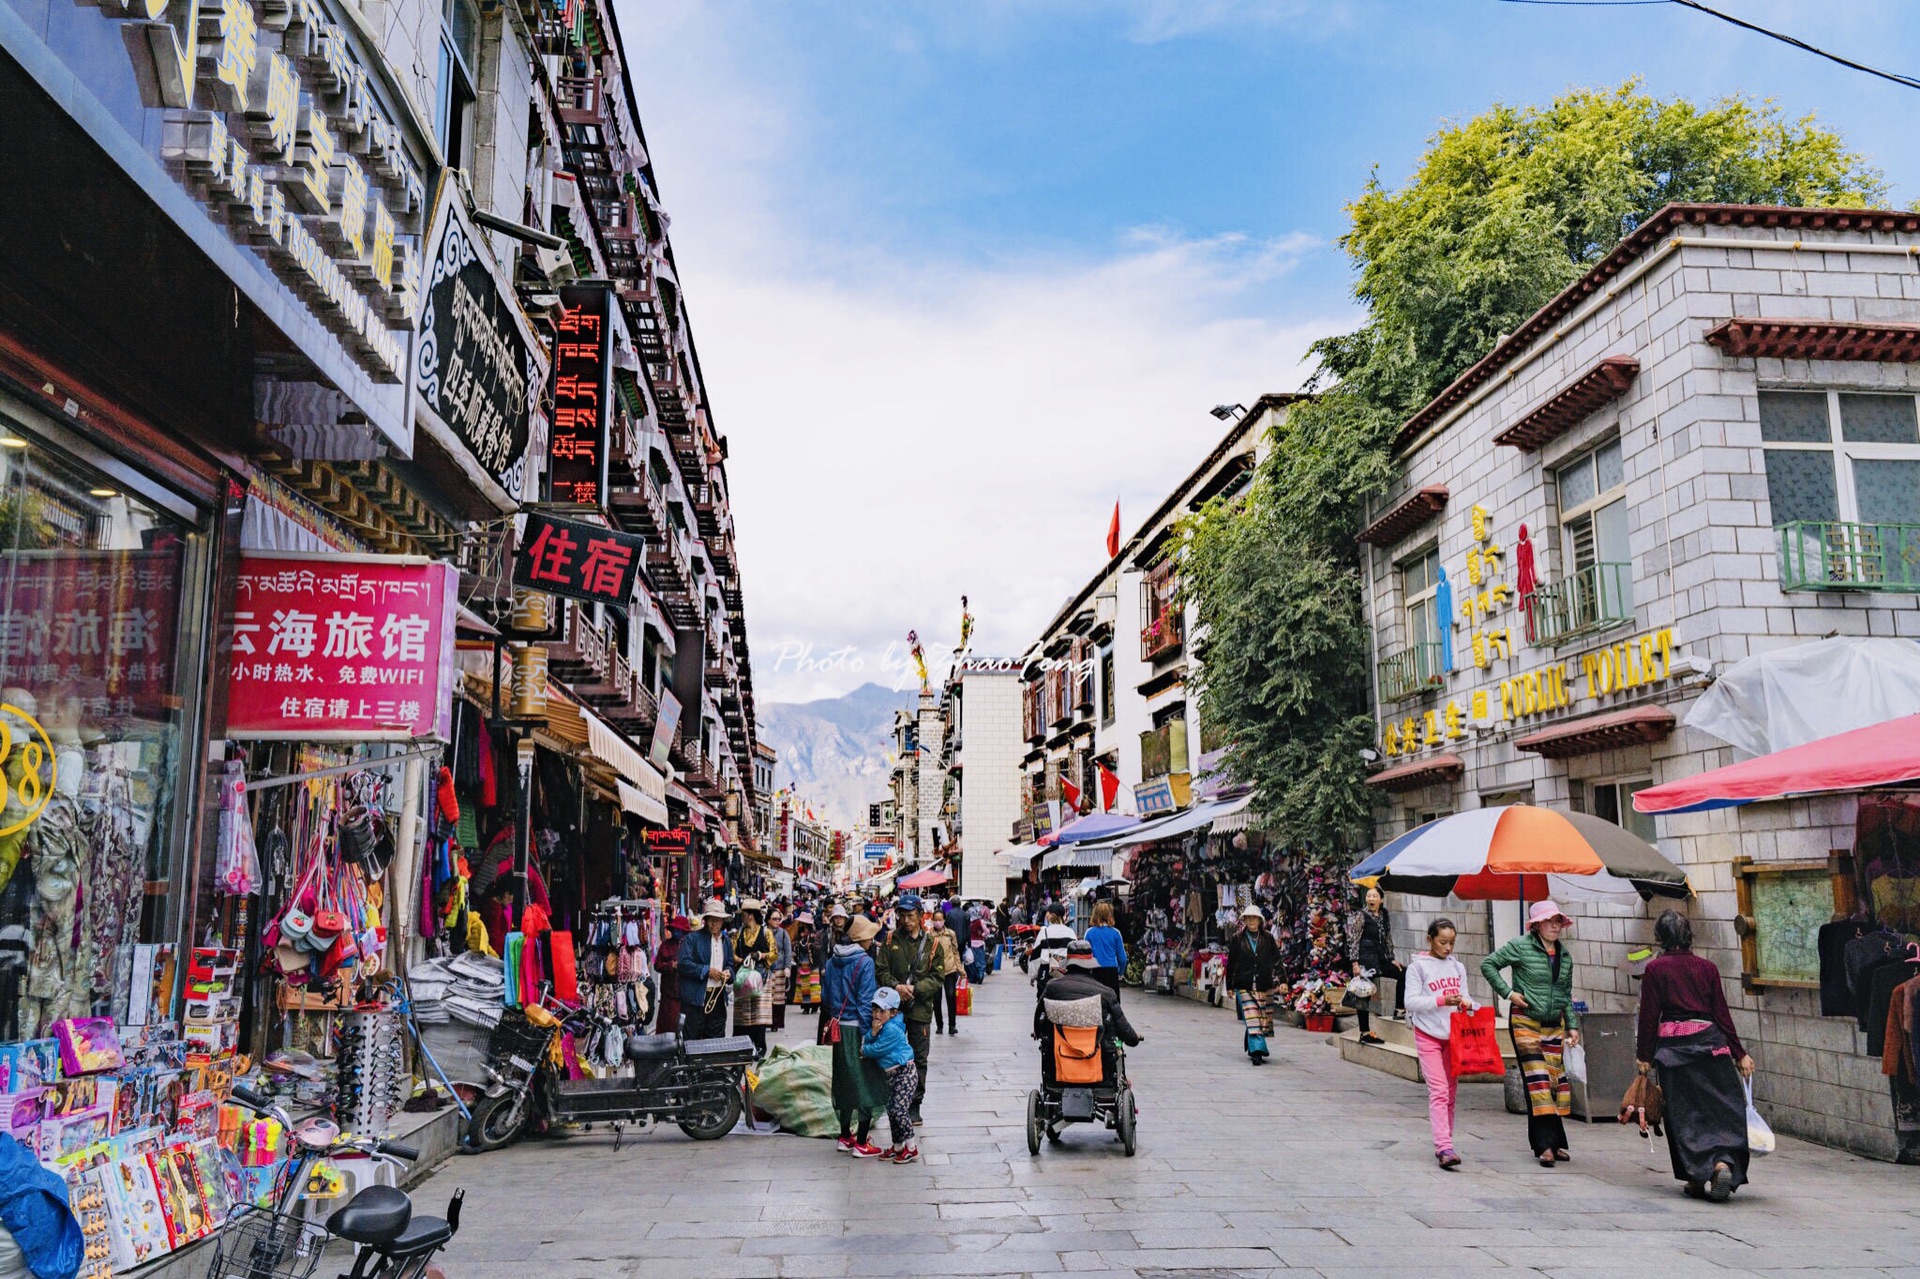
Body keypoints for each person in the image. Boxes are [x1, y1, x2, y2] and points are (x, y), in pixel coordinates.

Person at [1636, 909, 1755, 1202]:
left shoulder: (1655, 969)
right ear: (1689, 936)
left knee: (1683, 1115)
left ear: (1660, 938)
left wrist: (1644, 1054)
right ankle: (1721, 1163)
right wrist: (1740, 1054)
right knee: (1721, 1110)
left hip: (1674, 1052)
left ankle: (1695, 1175)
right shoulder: (1707, 968)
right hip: (1712, 1045)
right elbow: (1721, 1013)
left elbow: (1649, 1015)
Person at [1481, 900, 1581, 1167]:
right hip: (1525, 1022)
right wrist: (1509, 994)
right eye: (1549, 921)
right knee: (1537, 1081)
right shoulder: (1520, 946)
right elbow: (1489, 965)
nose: (1555, 926)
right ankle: (1543, 1146)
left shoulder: (1565, 956)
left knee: (1554, 1081)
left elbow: (1565, 995)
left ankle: (1556, 1142)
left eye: (1558, 921)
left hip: (1554, 1024)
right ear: (1536, 924)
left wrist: (1572, 1025)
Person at [1403, 918, 1477, 1170]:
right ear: (1430, 939)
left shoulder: (1458, 967)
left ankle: (1447, 1142)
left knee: (1451, 1093)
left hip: (1453, 1035)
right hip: (1427, 1035)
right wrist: (1442, 1000)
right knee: (1439, 1090)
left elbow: (1466, 996)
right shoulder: (1418, 968)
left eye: (1452, 943)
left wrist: (1467, 1004)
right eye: (1443, 942)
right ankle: (1443, 1146)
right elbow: (1411, 1001)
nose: (1447, 947)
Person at [875, 892, 943, 1126]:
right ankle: (890, 1101)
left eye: (910, 915)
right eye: (901, 915)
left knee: (918, 1058)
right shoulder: (890, 940)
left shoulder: (934, 944)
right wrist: (896, 986)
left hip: (920, 1011)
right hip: (893, 1011)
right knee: (888, 1054)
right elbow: (881, 970)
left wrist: (915, 989)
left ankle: (914, 1104)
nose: (905, 920)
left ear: (920, 916)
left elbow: (937, 978)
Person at [822, 915, 887, 1157]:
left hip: (837, 1027)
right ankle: (861, 1142)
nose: (873, 939)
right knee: (866, 1081)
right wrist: (870, 1032)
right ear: (862, 938)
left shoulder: (832, 960)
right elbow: (865, 1001)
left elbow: (826, 998)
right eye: (870, 935)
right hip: (856, 1028)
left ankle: (844, 1136)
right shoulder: (865, 962)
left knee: (844, 1081)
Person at [862, 987, 920, 1163]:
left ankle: (911, 1147)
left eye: (882, 1011)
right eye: (875, 1010)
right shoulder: (881, 1026)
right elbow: (870, 1038)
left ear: (893, 1012)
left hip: (905, 1073)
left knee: (899, 1110)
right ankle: (897, 1146)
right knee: (892, 1111)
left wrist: (864, 1049)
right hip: (892, 1075)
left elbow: (878, 1049)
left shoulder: (892, 1030)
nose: (877, 1015)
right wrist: (872, 1033)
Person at [1348, 886, 1406, 1046]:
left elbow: (1387, 937)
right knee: (1363, 993)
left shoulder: (1385, 914)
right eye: (1368, 896)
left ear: (1381, 899)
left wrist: (1392, 958)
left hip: (1381, 957)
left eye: (1374, 896)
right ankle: (1364, 1032)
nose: (1371, 899)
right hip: (1365, 958)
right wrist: (1355, 963)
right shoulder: (1360, 915)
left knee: (1404, 973)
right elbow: (1353, 939)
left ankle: (1399, 1009)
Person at [1224, 904, 1281, 1065]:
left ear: (1259, 920)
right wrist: (1229, 986)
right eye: (1248, 918)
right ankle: (1257, 1051)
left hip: (1264, 983)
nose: (1251, 921)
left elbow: (1276, 960)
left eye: (1254, 918)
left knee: (1261, 1017)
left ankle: (1250, 1039)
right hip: (1244, 984)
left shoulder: (1268, 938)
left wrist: (1282, 981)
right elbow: (1232, 963)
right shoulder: (1238, 938)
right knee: (1252, 1016)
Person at [676, 899, 733, 1040]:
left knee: (716, 1039)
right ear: (705, 920)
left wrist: (728, 973)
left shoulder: (727, 942)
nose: (714, 924)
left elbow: (730, 965)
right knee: (692, 1039)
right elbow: (683, 964)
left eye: (717, 920)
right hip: (696, 998)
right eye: (711, 920)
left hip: (717, 997)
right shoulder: (692, 939)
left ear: (722, 921)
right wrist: (707, 971)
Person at [730, 898, 780, 1055]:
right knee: (743, 1014)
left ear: (750, 915)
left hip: (761, 978)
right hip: (743, 977)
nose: (742, 917)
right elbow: (732, 955)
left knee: (759, 1015)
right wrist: (741, 960)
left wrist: (760, 955)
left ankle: (759, 1047)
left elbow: (774, 954)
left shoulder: (766, 933)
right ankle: (741, 1046)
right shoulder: (738, 934)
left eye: (743, 914)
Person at [653, 914, 691, 1036]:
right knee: (667, 1027)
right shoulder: (665, 946)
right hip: (668, 994)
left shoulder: (690, 946)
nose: (677, 933)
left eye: (679, 930)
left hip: (685, 995)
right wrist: (671, 965)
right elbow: (657, 965)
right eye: (675, 930)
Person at [928, 908, 964, 1036]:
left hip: (950, 969)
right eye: (936, 920)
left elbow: (956, 952)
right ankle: (939, 1025)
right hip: (935, 972)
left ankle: (952, 1025)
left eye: (940, 919)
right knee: (936, 999)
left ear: (944, 920)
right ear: (932, 921)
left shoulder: (950, 934)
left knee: (950, 996)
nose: (938, 922)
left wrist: (960, 969)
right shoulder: (929, 935)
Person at [1085, 900, 1127, 995]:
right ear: (1110, 915)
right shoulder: (1116, 933)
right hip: (1112, 971)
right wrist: (1120, 973)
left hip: (1096, 972)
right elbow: (1123, 958)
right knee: (1113, 1003)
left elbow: (1086, 955)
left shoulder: (1089, 933)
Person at [1027, 901, 1077, 975]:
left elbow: (1035, 956)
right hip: (1064, 972)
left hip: (1047, 971)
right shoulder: (1071, 932)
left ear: (1051, 915)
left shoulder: (1044, 932)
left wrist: (1033, 976)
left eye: (1048, 912)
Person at [767, 903, 795, 1034]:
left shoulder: (783, 934)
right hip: (766, 970)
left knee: (778, 999)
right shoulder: (763, 932)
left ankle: (776, 1023)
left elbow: (788, 951)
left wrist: (787, 967)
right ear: (768, 919)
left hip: (779, 969)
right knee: (767, 998)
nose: (777, 922)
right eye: (774, 919)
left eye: (779, 919)